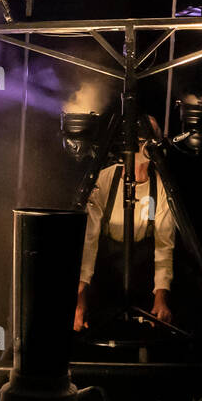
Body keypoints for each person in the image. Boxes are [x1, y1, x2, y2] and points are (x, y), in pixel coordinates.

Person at [74, 114, 176, 331]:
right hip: (106, 267)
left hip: (142, 268)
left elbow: (164, 247)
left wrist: (161, 296)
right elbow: (89, 242)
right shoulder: (103, 180)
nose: (146, 143)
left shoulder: (162, 187)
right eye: (140, 138)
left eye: (151, 137)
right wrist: (80, 298)